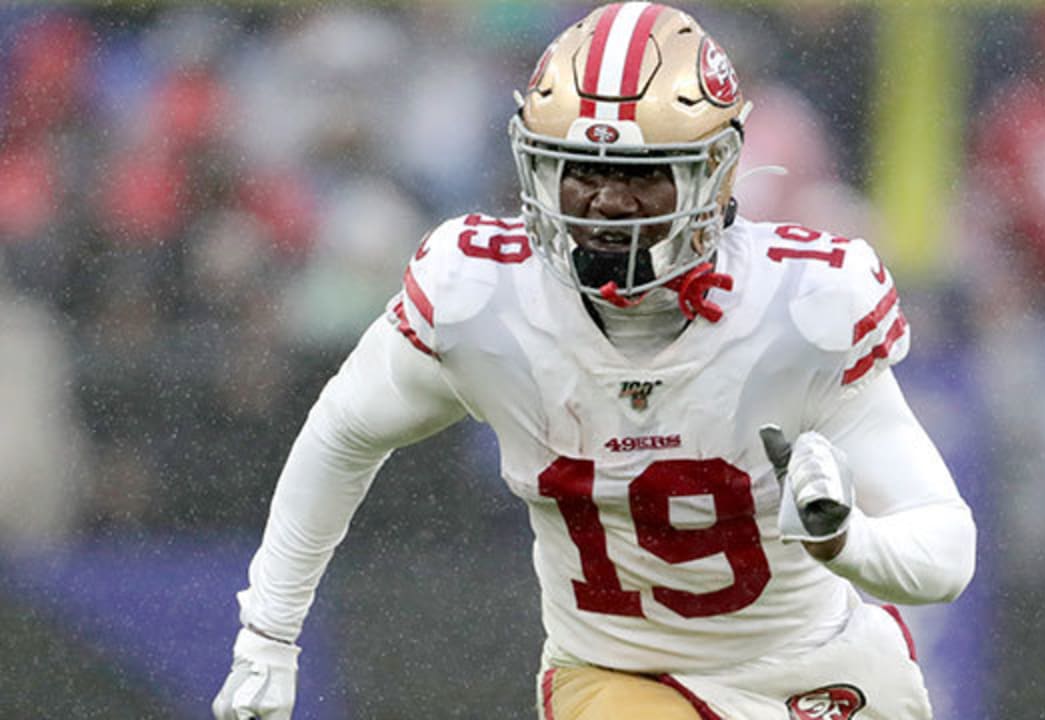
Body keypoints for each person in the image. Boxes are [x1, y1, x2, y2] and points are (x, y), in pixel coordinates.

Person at [212, 4, 976, 719]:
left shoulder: (801, 308)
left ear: (715, 171)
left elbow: (946, 552)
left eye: (642, 175)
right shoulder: (482, 295)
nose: (606, 201)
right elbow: (343, 433)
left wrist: (847, 540)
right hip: (619, 676)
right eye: (581, 169)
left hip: (814, 671)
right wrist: (268, 631)